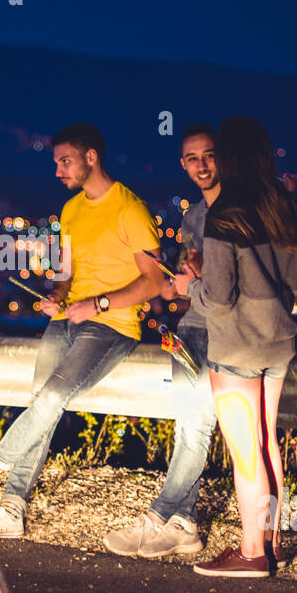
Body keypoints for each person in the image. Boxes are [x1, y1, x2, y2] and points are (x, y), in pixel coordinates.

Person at [0, 123, 165, 540]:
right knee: (42, 403)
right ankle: (11, 509)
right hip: (68, 319)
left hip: (112, 325)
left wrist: (97, 304)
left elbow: (154, 282)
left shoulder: (132, 209)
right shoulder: (72, 209)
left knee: (54, 397)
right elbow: (66, 271)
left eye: (65, 161)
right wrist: (56, 296)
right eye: (55, 162)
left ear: (91, 157)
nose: (58, 170)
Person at [171, 116, 297, 577]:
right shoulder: (285, 205)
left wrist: (189, 286)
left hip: (237, 349)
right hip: (279, 343)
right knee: (267, 445)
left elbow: (218, 299)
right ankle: (272, 542)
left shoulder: (227, 214)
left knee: (245, 453)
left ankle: (251, 553)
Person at [103, 123, 221, 558]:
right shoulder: (192, 216)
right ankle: (182, 524)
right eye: (192, 158)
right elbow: (186, 281)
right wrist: (171, 281)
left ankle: (161, 516)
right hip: (191, 329)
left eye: (209, 155)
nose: (201, 165)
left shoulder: (241, 212)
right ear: (183, 164)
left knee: (195, 427)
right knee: (188, 426)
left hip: (224, 331)